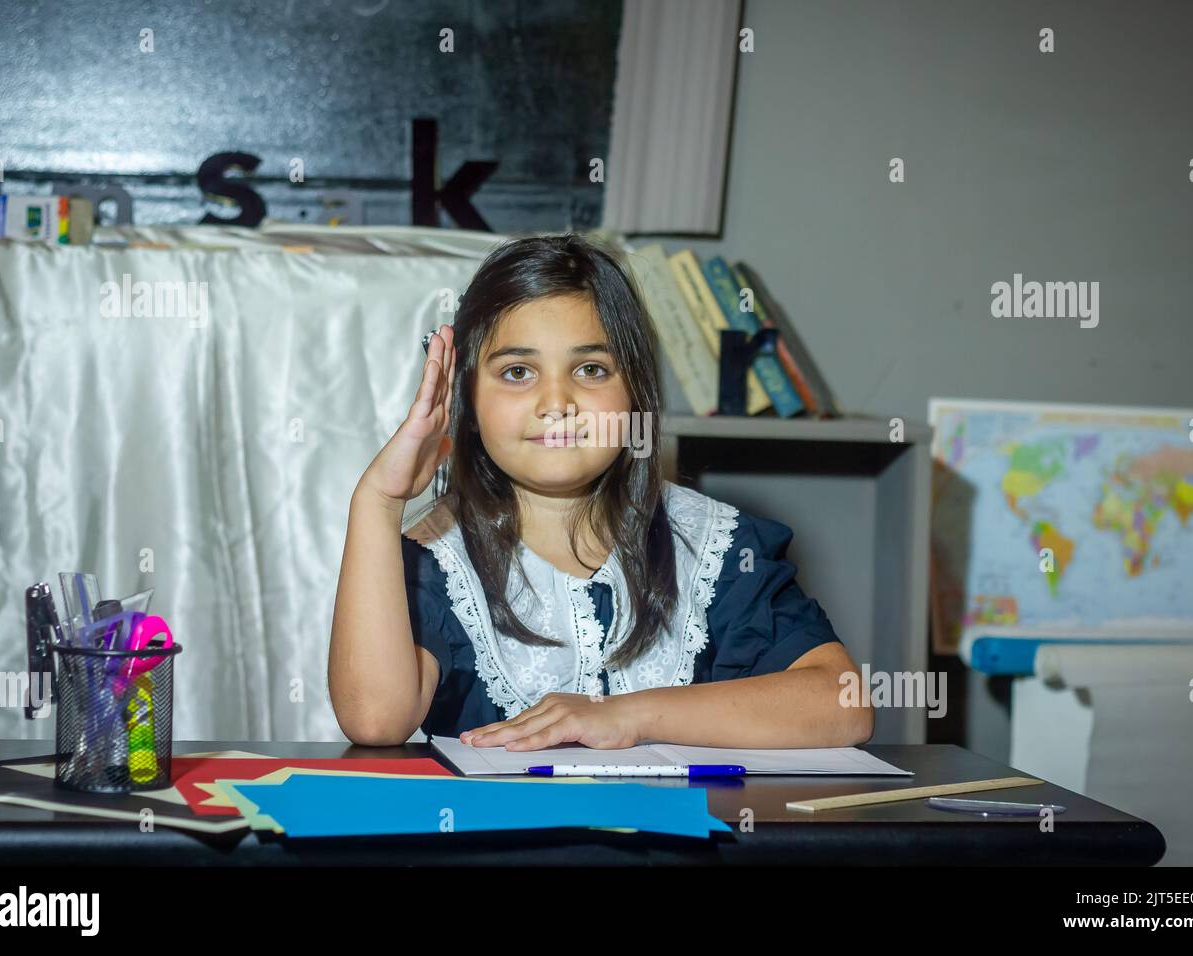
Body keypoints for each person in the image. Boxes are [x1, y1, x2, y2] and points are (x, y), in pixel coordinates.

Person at [329, 233, 873, 751]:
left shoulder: (717, 546)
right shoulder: (435, 562)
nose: (556, 400)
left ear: (636, 392)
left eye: (590, 369)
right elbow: (375, 720)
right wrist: (377, 500)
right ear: (466, 402)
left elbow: (844, 704)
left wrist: (627, 716)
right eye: (518, 372)